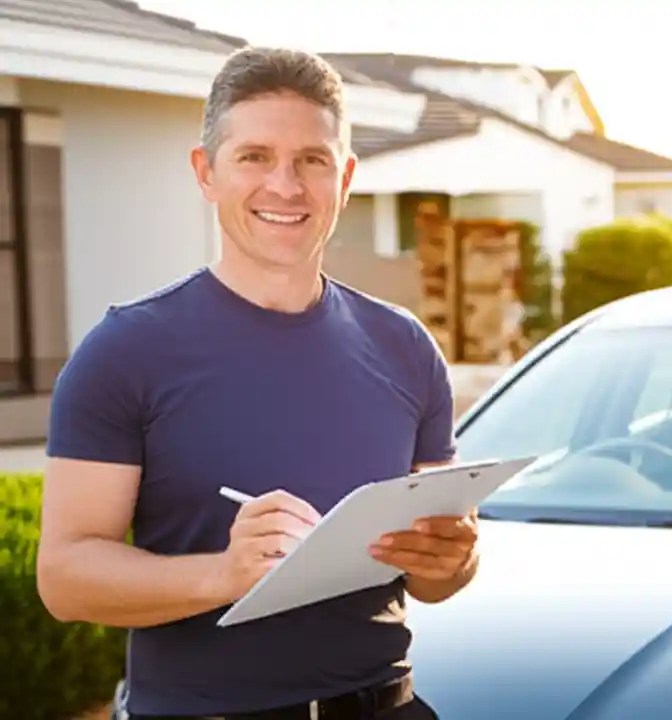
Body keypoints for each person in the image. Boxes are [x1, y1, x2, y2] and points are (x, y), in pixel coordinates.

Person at [35, 47, 475, 719]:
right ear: (205, 172)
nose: (286, 186)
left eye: (313, 160)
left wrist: (452, 562)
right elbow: (64, 579)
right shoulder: (124, 352)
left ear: (346, 176)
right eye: (255, 157)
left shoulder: (406, 346)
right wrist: (223, 574)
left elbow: (439, 574)